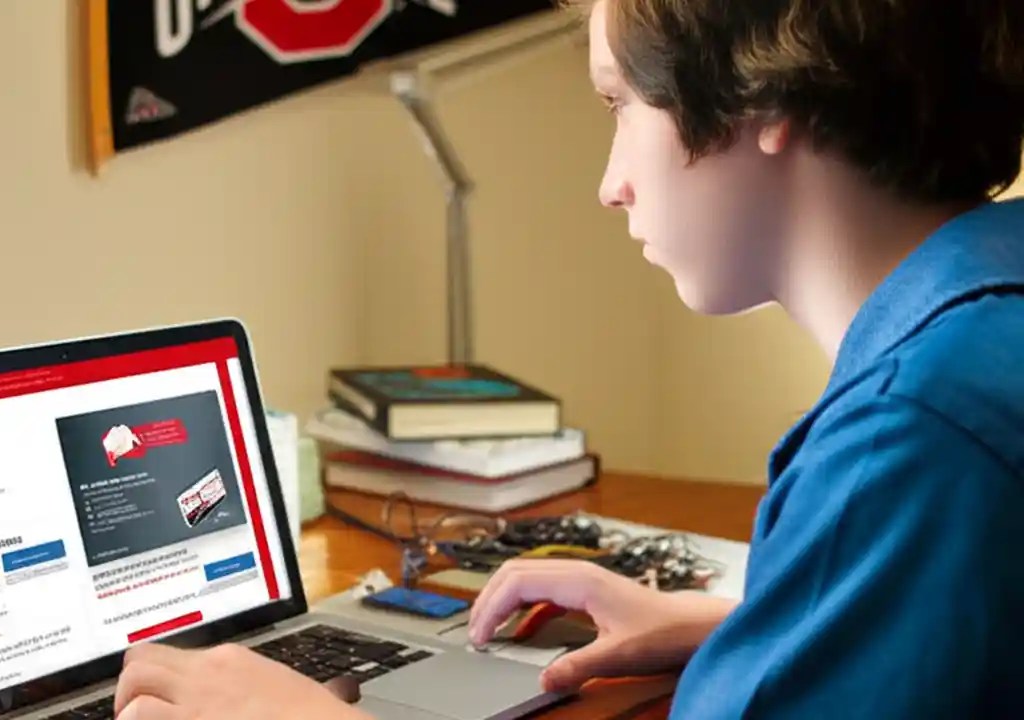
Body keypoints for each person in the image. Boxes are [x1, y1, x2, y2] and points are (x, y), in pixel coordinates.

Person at [111, 0, 1024, 717]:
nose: (610, 182)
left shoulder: (909, 437)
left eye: (619, 105)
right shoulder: (990, 313)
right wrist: (756, 632)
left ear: (766, 98)